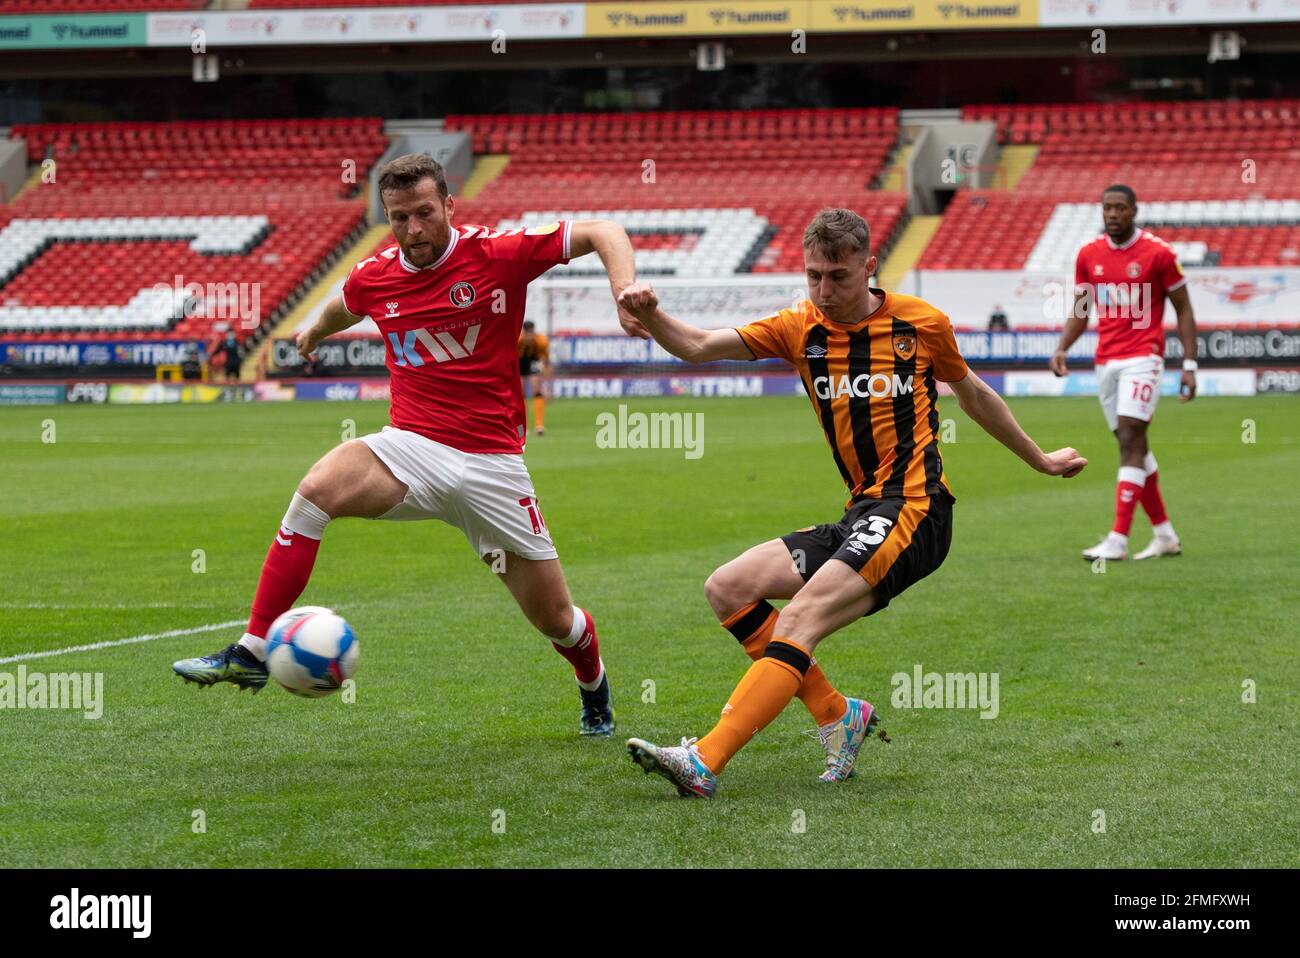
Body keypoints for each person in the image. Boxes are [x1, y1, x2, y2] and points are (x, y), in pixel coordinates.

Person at [615, 207, 1086, 797]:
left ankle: (704, 761)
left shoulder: (920, 324)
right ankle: (839, 715)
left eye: (837, 276)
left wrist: (1039, 458)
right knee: (727, 588)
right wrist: (653, 315)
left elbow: (974, 394)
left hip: (915, 508)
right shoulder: (799, 327)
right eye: (814, 275)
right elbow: (699, 345)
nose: (823, 290)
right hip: (862, 514)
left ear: (869, 266)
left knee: (799, 620)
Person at [173, 153, 646, 736]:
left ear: (449, 204)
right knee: (317, 490)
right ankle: (250, 651)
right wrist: (312, 332)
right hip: (410, 448)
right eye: (400, 218)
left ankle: (594, 688)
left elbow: (604, 231)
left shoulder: (497, 254)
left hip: (491, 465)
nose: (413, 229)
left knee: (556, 619)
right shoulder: (377, 274)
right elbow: (345, 304)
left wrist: (623, 290)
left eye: (425, 213)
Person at [1051, 184, 1197, 561]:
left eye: (1119, 208)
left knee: (1131, 439)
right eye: (1107, 208)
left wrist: (1190, 364)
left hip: (1144, 357)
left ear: (1134, 210)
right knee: (1134, 446)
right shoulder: (1089, 255)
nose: (1112, 214)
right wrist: (1063, 346)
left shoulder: (1159, 253)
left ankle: (1117, 539)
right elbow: (1082, 310)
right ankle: (1165, 535)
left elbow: (1183, 309)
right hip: (1106, 360)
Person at [518, 320, 550, 435]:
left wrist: (548, 385)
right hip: (518, 362)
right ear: (523, 332)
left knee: (536, 388)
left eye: (530, 334)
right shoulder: (518, 340)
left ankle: (539, 425)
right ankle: (523, 425)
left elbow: (545, 362)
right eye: (527, 334)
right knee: (520, 391)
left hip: (534, 361)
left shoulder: (541, 341)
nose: (529, 337)